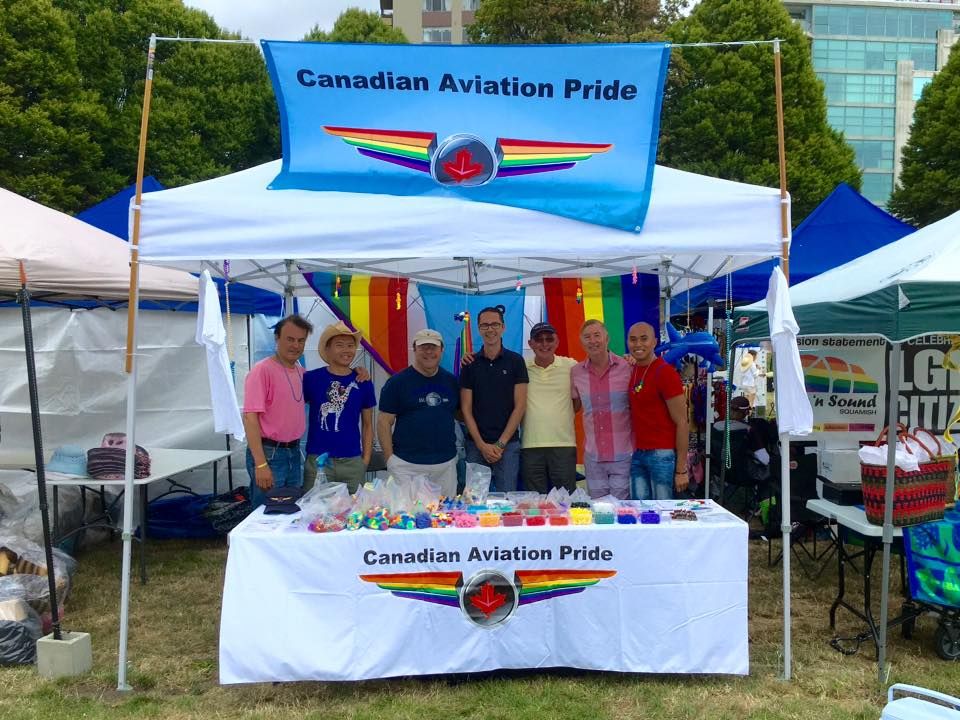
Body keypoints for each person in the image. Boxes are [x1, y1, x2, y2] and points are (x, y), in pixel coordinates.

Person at [378, 329, 460, 498]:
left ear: (442, 350)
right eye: (423, 347)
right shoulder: (397, 382)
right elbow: (384, 421)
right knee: (407, 520)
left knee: (444, 519)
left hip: (445, 466)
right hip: (406, 466)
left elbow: (460, 414)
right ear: (414, 349)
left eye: (433, 347)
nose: (429, 352)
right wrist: (390, 459)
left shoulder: (452, 381)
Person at [242, 314, 313, 508]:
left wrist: (356, 372)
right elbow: (250, 418)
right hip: (269, 454)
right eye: (290, 339)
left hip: (293, 452)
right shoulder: (262, 370)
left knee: (291, 510)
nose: (295, 345)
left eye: (301, 340)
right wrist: (261, 464)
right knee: (266, 513)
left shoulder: (300, 371)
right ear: (277, 338)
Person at [459, 305, 528, 492]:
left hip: (508, 446)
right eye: (485, 325)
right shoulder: (469, 363)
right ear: (479, 329)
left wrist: (500, 444)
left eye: (495, 324)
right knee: (475, 502)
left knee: (508, 502)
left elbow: (520, 406)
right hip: (476, 446)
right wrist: (482, 445)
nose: (490, 329)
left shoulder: (516, 361)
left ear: (503, 327)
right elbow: (466, 408)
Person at [302, 321, 376, 494]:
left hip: (352, 463)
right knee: (313, 514)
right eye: (340, 345)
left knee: (353, 516)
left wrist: (364, 460)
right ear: (327, 349)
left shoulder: (363, 382)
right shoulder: (311, 379)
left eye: (350, 345)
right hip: (318, 463)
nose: (346, 350)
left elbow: (367, 424)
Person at [570, 319, 633, 499]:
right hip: (593, 457)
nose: (593, 341)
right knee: (599, 512)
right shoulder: (575, 372)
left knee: (622, 511)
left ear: (607, 338)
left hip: (623, 456)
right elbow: (573, 406)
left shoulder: (627, 367)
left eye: (597, 335)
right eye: (587, 337)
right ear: (582, 343)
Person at [626, 321, 689, 500]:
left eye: (644, 339)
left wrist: (681, 469)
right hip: (638, 453)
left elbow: (682, 422)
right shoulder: (634, 370)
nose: (638, 344)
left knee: (663, 515)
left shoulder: (666, 373)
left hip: (662, 455)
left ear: (654, 342)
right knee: (639, 513)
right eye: (633, 339)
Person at [521, 322, 578, 493]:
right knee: (534, 503)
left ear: (557, 341)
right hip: (530, 445)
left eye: (549, 339)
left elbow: (579, 400)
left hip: (563, 444)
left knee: (565, 502)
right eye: (539, 340)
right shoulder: (521, 367)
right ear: (530, 344)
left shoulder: (572, 366)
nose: (544, 344)